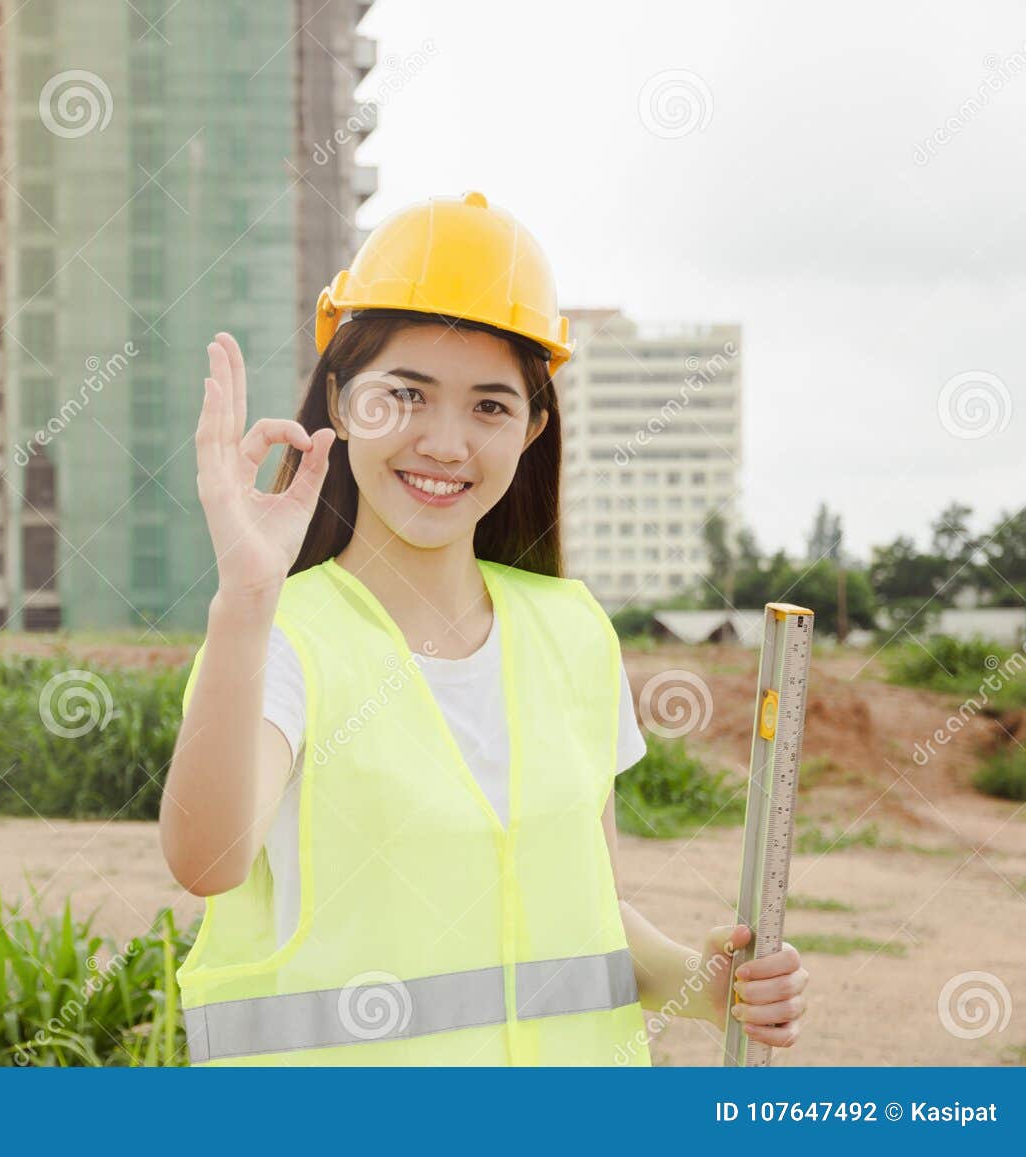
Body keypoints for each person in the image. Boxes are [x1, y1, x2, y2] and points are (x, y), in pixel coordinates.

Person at [159, 191, 809, 1066]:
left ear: (533, 428)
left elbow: (591, 913)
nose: (445, 441)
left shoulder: (573, 634)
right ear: (344, 404)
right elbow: (208, 858)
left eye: (490, 407)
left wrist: (706, 982)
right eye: (407, 394)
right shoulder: (284, 638)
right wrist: (243, 597)